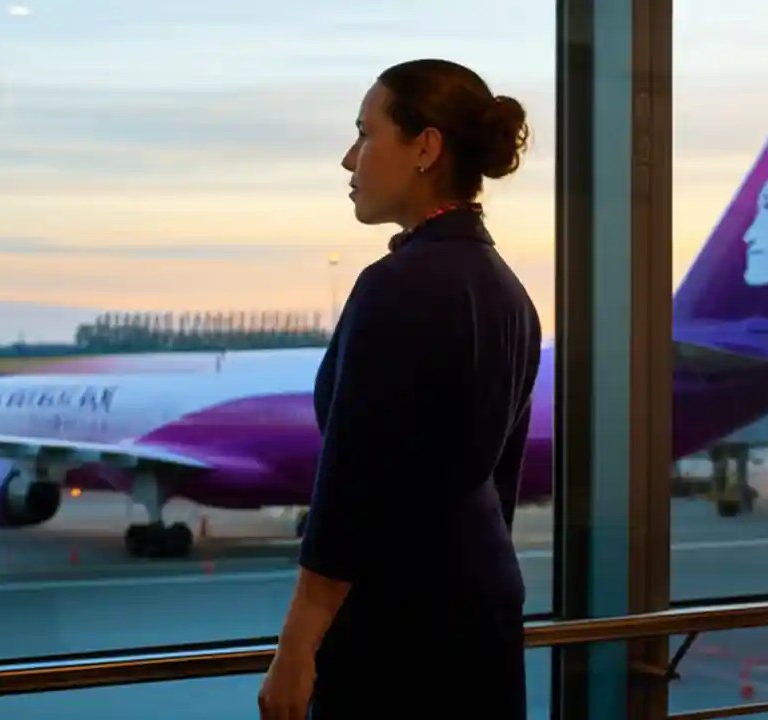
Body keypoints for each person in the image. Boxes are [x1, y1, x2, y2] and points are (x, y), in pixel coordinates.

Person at [257, 58, 542, 719]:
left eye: (365, 133)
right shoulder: (507, 292)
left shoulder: (395, 286)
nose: (348, 157)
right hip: (483, 609)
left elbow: (350, 483)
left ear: (425, 147)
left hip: (399, 626)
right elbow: (499, 482)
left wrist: (297, 646)